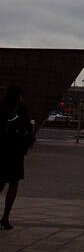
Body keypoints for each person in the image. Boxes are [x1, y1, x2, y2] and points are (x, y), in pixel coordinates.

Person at [0, 85, 34, 229]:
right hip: (15, 153)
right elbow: (27, 129)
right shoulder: (21, 109)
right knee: (13, 184)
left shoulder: (1, 108)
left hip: (1, 152)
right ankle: (5, 217)